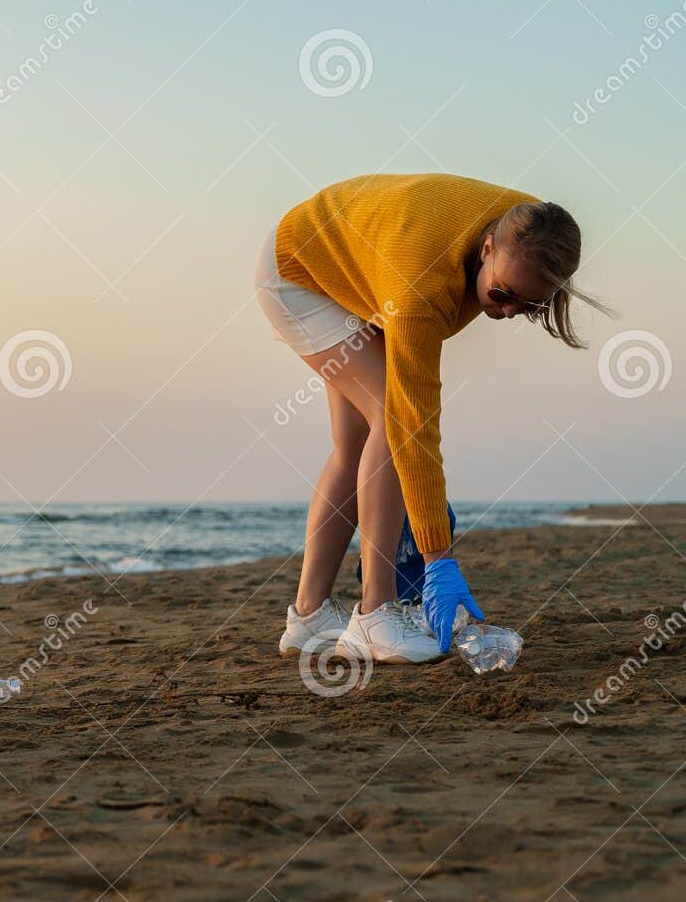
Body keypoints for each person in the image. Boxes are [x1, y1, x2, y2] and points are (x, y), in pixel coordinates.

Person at [255, 173, 606, 665]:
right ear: (486, 248)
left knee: (356, 441)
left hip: (355, 261)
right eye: (502, 294)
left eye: (530, 305)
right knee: (389, 418)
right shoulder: (424, 289)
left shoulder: (537, 229)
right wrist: (438, 557)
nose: (507, 312)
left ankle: (309, 616)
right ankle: (374, 613)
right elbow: (414, 425)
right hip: (299, 269)